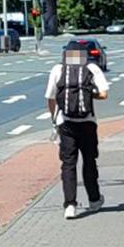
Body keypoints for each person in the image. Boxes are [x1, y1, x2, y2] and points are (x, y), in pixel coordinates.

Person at [46, 43, 108, 219]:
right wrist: (89, 94)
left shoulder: (57, 69)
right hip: (87, 123)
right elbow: (104, 94)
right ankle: (94, 200)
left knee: (68, 164)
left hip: (65, 123)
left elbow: (50, 98)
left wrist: (54, 118)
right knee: (89, 161)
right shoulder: (91, 68)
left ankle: (70, 205)